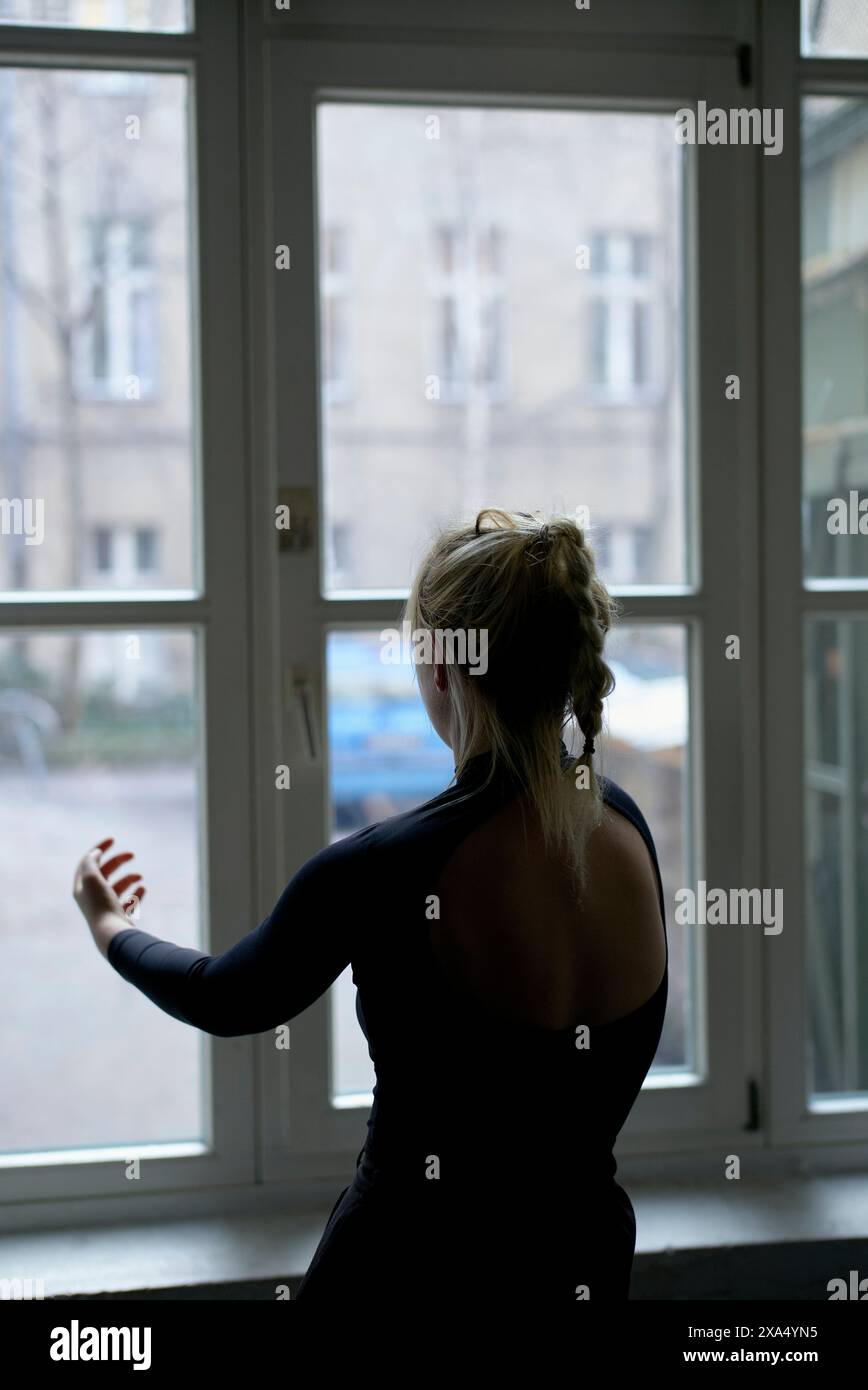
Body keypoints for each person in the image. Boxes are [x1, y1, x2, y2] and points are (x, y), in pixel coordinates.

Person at [73, 508, 667, 1306]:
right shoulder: (625, 828)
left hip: (406, 1275)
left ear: (444, 672)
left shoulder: (387, 867)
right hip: (579, 1262)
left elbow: (225, 995)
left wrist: (108, 923)